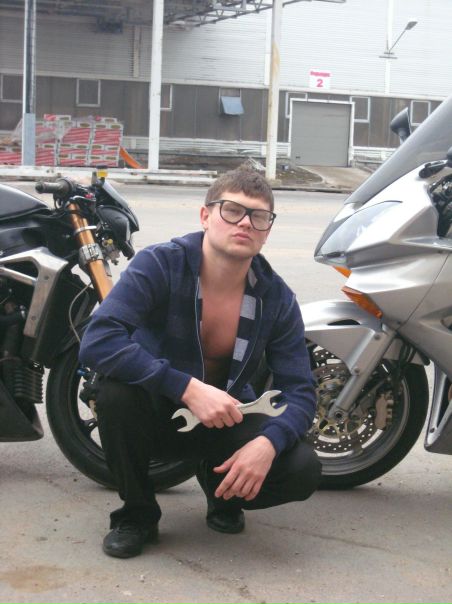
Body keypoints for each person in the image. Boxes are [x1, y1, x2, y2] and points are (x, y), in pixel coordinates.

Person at [79, 166, 321, 558]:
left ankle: (221, 488)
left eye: (259, 216)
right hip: (154, 412)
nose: (245, 223)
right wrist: (186, 388)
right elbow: (99, 340)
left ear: (267, 230)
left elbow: (300, 392)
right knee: (115, 393)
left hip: (227, 418)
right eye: (232, 210)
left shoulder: (277, 298)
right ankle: (137, 515)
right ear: (206, 216)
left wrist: (268, 444)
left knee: (302, 468)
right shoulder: (161, 264)